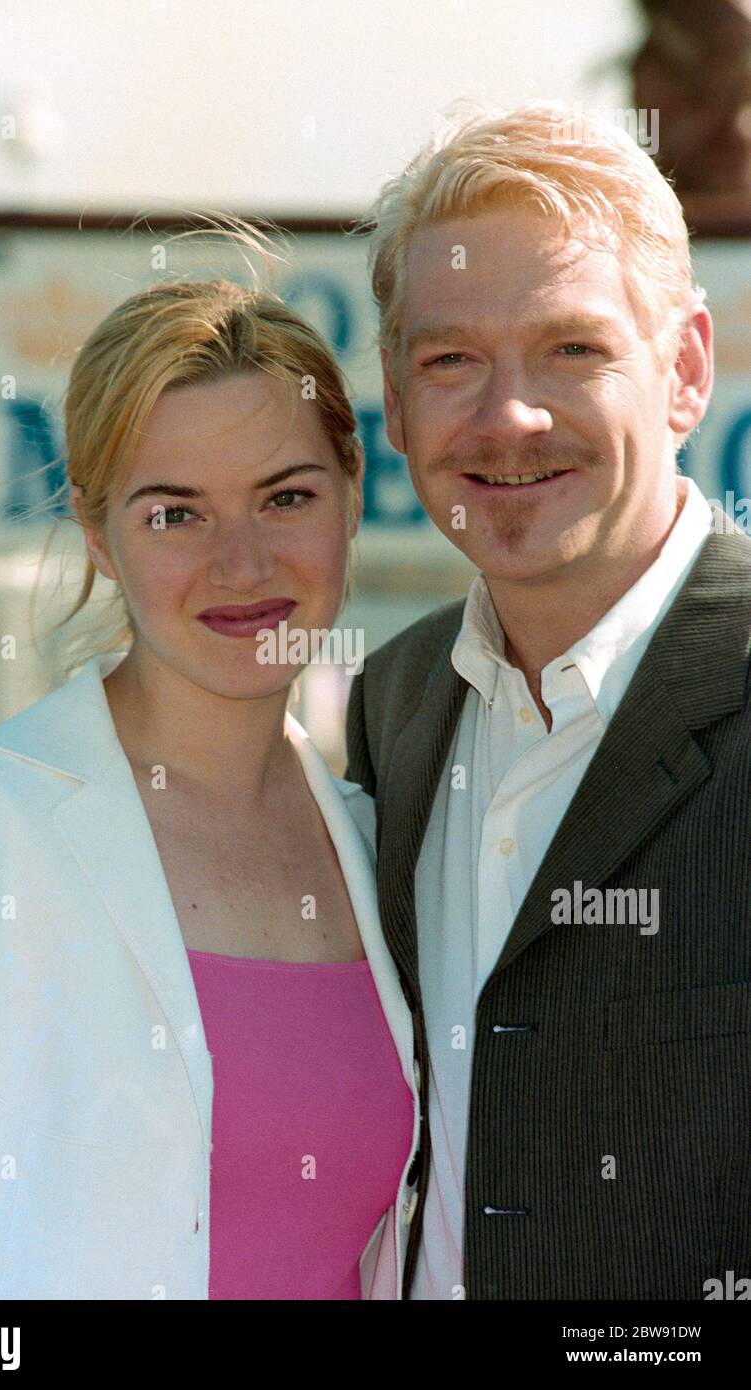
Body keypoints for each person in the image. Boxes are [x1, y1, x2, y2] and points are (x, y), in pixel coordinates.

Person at [0, 274, 420, 1300]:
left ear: (354, 489)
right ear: (96, 533)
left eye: (285, 496)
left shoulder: (388, 853)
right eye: (175, 513)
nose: (241, 560)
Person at [345, 102, 751, 1300]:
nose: (507, 417)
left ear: (684, 369)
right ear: (397, 397)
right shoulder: (397, 702)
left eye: (572, 349)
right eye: (451, 360)